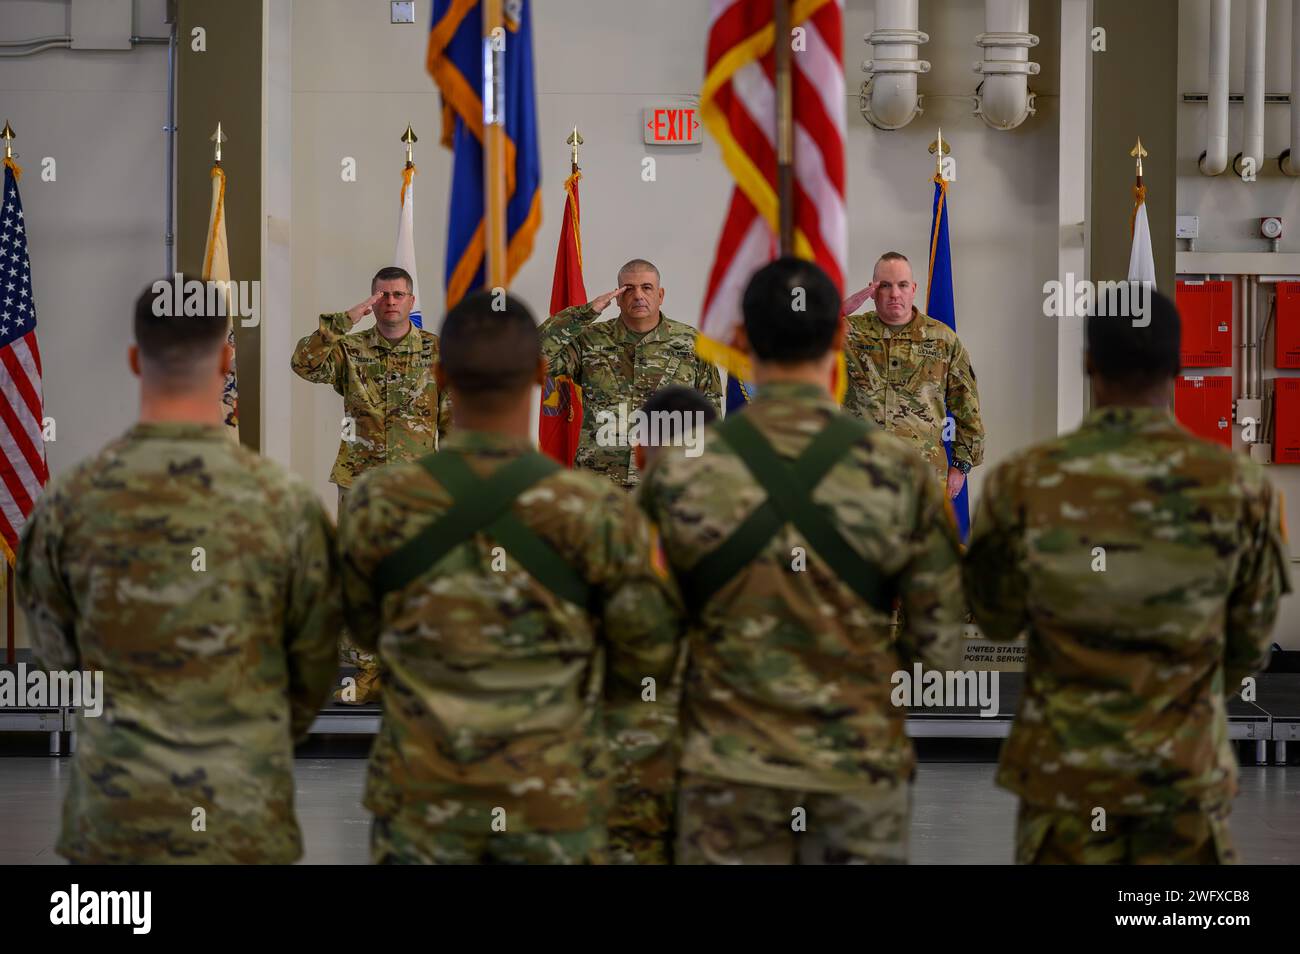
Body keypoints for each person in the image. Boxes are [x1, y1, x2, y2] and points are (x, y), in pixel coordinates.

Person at [338, 290, 683, 864]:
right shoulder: (597, 510)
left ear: (441, 373)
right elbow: (644, 665)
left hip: (425, 814)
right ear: (543, 374)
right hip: (555, 813)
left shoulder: (382, 503)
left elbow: (365, 630)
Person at [640, 257, 965, 864]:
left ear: (741, 342)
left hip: (726, 774)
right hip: (854, 771)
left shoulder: (682, 476)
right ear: (842, 335)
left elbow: (643, 636)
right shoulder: (898, 475)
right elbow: (941, 643)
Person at [17, 276, 340, 864]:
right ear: (225, 358)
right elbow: (313, 672)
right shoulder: (287, 504)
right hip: (243, 819)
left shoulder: (68, 502)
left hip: (116, 819)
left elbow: (57, 656)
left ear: (136, 360)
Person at [964, 290, 1290, 864]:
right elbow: (1249, 643)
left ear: (1088, 362)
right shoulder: (1242, 487)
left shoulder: (1025, 482)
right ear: (1179, 367)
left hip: (1066, 781)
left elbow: (993, 619)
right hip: (1182, 778)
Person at [291, 265, 451, 703]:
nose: (390, 302)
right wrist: (343, 320)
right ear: (371, 300)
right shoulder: (349, 350)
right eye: (382, 295)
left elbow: (452, 420)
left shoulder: (438, 353)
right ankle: (363, 672)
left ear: (411, 302)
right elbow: (303, 363)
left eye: (398, 294)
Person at [539, 259, 722, 489]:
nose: (638, 296)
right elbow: (535, 359)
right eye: (628, 289)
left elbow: (711, 416)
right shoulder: (591, 340)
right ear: (616, 297)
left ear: (660, 295)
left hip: (668, 482)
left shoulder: (692, 344)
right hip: (599, 485)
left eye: (646, 287)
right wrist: (585, 313)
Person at [843, 251, 983, 500]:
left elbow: (967, 407)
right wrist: (834, 314)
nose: (894, 294)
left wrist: (961, 465)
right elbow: (791, 351)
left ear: (913, 289)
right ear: (872, 291)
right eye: (885, 286)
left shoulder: (942, 339)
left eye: (902, 285)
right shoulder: (848, 334)